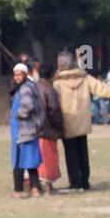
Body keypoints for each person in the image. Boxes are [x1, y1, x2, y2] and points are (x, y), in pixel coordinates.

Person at [52, 49, 110, 192]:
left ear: (60, 64)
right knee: (83, 152)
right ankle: (85, 182)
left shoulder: (57, 82)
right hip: (83, 122)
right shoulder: (84, 77)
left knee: (71, 153)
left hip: (67, 122)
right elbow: (103, 89)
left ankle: (75, 183)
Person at [9, 63, 44, 197]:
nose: (17, 77)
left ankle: (18, 191)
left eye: (19, 74)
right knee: (31, 161)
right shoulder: (31, 86)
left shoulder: (25, 89)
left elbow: (27, 106)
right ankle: (35, 189)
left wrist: (19, 115)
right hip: (30, 130)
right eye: (15, 74)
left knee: (18, 162)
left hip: (22, 130)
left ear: (25, 74)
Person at [36, 63, 64, 195]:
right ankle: (48, 187)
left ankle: (35, 186)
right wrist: (59, 126)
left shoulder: (33, 87)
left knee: (36, 159)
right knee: (49, 159)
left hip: (33, 129)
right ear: (51, 74)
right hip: (47, 129)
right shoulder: (50, 89)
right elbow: (54, 110)